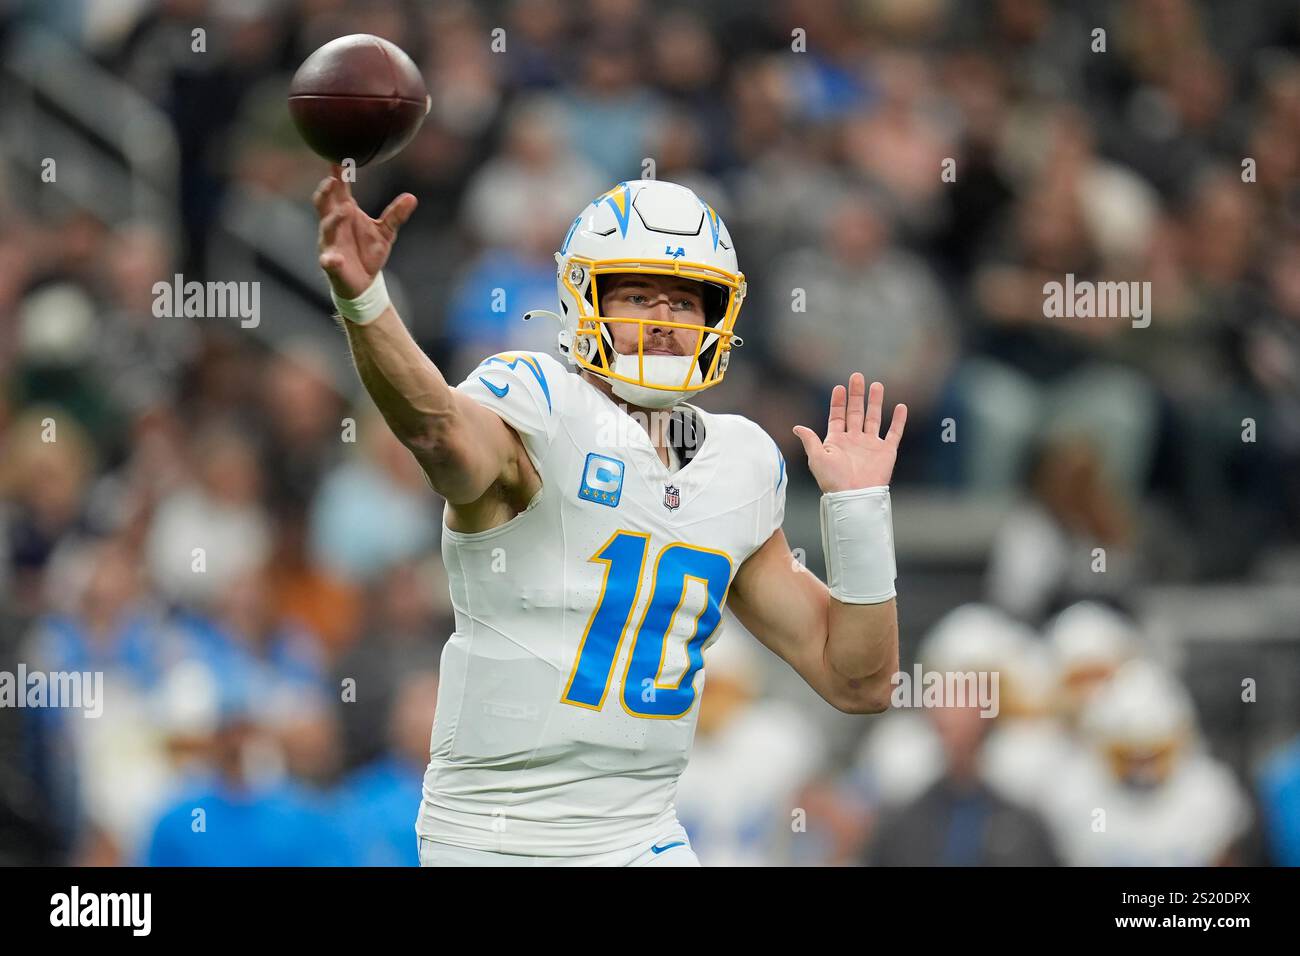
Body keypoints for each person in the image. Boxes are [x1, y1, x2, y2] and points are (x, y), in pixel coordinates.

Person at [312, 172, 907, 866]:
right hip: (496, 836)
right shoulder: (538, 404)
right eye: (636, 294)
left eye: (686, 300)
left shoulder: (739, 461)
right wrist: (366, 300)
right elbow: (438, 430)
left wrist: (859, 513)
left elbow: (858, 680)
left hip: (641, 836)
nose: (663, 317)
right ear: (582, 297)